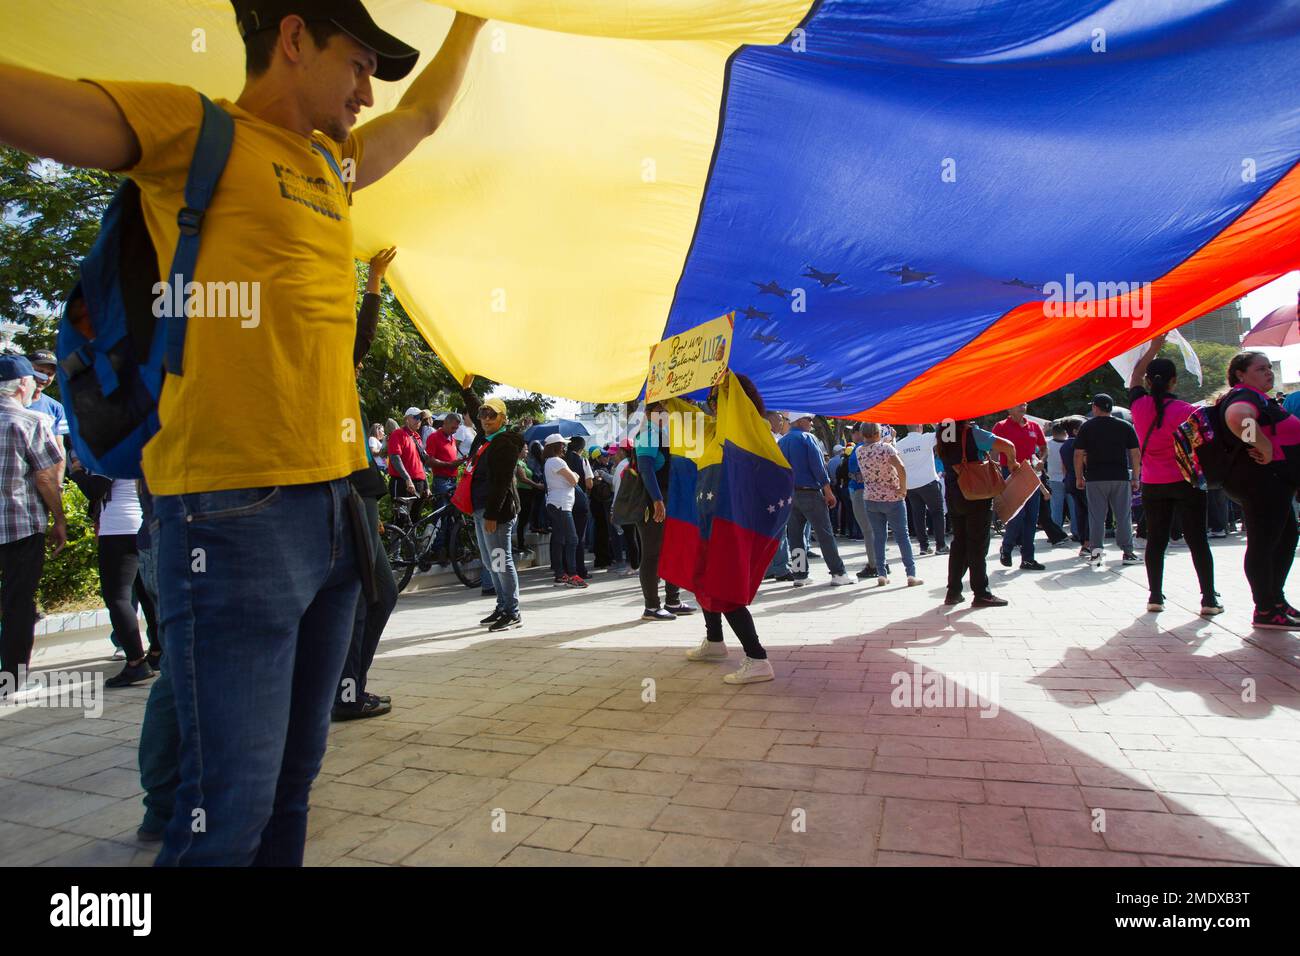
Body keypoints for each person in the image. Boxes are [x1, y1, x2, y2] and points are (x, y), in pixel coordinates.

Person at [0, 2, 487, 864]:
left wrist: (475, 21)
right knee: (227, 811)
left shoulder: (331, 164)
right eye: (358, 64)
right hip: (230, 515)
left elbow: (424, 115)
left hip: (340, 506)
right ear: (294, 38)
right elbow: (31, 104)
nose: (369, 93)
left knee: (294, 789)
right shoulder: (194, 130)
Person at [684, 374, 778, 684]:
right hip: (711, 519)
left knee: (724, 585)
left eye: (716, 397)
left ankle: (757, 658)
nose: (711, 404)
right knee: (704, 580)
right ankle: (714, 641)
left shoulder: (750, 428)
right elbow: (689, 420)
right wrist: (667, 402)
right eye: (710, 399)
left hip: (731, 522)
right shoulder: (715, 430)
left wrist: (726, 382)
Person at [1128, 337, 1220, 615]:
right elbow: (1206, 443)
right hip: (1186, 481)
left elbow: (1134, 376)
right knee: (1197, 541)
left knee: (1156, 541)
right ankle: (1208, 599)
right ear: (1174, 381)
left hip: (1153, 483)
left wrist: (1154, 347)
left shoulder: (1138, 407)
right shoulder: (1189, 412)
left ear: (1148, 381)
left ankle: (1155, 597)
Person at [1216, 351, 1300, 629]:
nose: (1268, 372)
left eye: (1269, 368)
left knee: (1285, 539)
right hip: (1263, 483)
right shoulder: (1244, 396)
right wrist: (1263, 446)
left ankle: (1275, 601)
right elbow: (1238, 417)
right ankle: (1265, 609)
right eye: (1261, 368)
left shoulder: (1255, 397)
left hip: (1272, 484)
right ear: (1240, 374)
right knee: (1264, 545)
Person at [0, 355, 66, 697]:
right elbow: (45, 477)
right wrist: (59, 518)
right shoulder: (32, 420)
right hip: (20, 526)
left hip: (18, 526)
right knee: (18, 602)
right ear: (23, 385)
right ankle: (11, 678)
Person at [936, 419, 1017, 607]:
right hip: (975, 494)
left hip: (953, 494)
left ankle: (953, 592)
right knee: (977, 545)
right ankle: (981, 593)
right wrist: (1012, 463)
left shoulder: (942, 433)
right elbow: (1008, 446)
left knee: (959, 544)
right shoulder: (972, 432)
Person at [634, 403, 698, 619]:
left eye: (667, 410)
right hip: (652, 503)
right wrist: (657, 500)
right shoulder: (647, 434)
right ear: (648, 413)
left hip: (669, 500)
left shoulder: (665, 434)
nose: (665, 414)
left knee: (673, 550)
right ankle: (651, 607)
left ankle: (673, 601)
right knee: (652, 554)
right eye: (659, 410)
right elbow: (645, 468)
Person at [777, 412, 853, 587]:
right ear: (800, 421)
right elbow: (818, 467)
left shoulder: (782, 442)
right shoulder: (808, 438)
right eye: (809, 420)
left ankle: (799, 575)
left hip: (790, 495)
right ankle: (838, 573)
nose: (811, 423)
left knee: (795, 537)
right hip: (810, 493)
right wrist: (828, 491)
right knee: (825, 534)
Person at [471, 398, 526, 630]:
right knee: (490, 561)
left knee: (501, 561)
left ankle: (512, 611)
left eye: (491, 414)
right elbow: (472, 405)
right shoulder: (486, 439)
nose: (485, 419)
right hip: (481, 509)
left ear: (503, 418)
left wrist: (492, 514)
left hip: (497, 513)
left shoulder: (504, 443)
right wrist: (466, 389)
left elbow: (502, 482)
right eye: (482, 414)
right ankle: (502, 605)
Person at [1074, 393, 1142, 568]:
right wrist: (1135, 476)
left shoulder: (1087, 427)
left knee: (1096, 517)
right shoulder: (1125, 426)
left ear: (1095, 407)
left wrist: (1079, 476)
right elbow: (1135, 452)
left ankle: (1096, 554)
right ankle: (1128, 552)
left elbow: (1078, 453)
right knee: (1123, 516)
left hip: (1095, 478)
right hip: (1120, 477)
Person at [858, 422, 923, 587]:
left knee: (879, 537)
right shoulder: (886, 448)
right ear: (878, 433)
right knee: (902, 536)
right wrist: (903, 488)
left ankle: (881, 573)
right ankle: (911, 574)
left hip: (871, 498)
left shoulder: (859, 451)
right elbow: (900, 466)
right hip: (892, 497)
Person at [993, 403, 1047, 570]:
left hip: (1031, 473)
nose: (1022, 407)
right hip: (1010, 473)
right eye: (1019, 405)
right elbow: (993, 450)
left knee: (1031, 517)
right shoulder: (1001, 426)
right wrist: (996, 471)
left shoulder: (1034, 426)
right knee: (1016, 516)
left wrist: (1042, 460)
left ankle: (1028, 559)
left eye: (1024, 404)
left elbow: (1043, 447)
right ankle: (1007, 548)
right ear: (1009, 408)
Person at [542, 432, 583, 587]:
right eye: (563, 445)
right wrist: (576, 475)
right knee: (572, 539)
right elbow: (573, 480)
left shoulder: (550, 461)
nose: (565, 447)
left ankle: (560, 575)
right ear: (556, 446)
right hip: (561, 505)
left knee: (560, 540)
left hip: (557, 504)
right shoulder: (557, 461)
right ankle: (572, 574)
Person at [897, 424, 945, 554]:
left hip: (911, 485)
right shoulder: (926, 438)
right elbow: (946, 434)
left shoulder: (899, 444)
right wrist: (935, 423)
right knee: (937, 513)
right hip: (928, 481)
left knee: (918, 515)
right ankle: (940, 545)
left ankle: (924, 546)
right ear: (919, 427)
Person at [845, 424, 881, 580]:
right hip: (864, 489)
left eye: (853, 432)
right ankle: (878, 562)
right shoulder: (870, 447)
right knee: (872, 529)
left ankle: (874, 565)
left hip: (861, 490)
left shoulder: (861, 449)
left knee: (868, 529)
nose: (852, 435)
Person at [763, 410, 793, 581]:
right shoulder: (773, 440)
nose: (782, 423)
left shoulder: (765, 438)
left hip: (765, 490)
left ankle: (769, 568)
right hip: (774, 491)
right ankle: (781, 568)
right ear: (769, 420)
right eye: (780, 419)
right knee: (779, 530)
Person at [24, 350, 70, 455]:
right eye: (39, 371)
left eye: (50, 374)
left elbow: (59, 447)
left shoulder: (56, 408)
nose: (43, 377)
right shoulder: (7, 401)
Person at [1046, 420, 1074, 536]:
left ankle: (1056, 532)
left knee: (1056, 508)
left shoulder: (1048, 444)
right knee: (1074, 507)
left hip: (1054, 479)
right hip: (1070, 478)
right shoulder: (1071, 444)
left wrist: (1045, 429)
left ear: (1053, 432)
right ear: (1065, 432)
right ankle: (1076, 531)